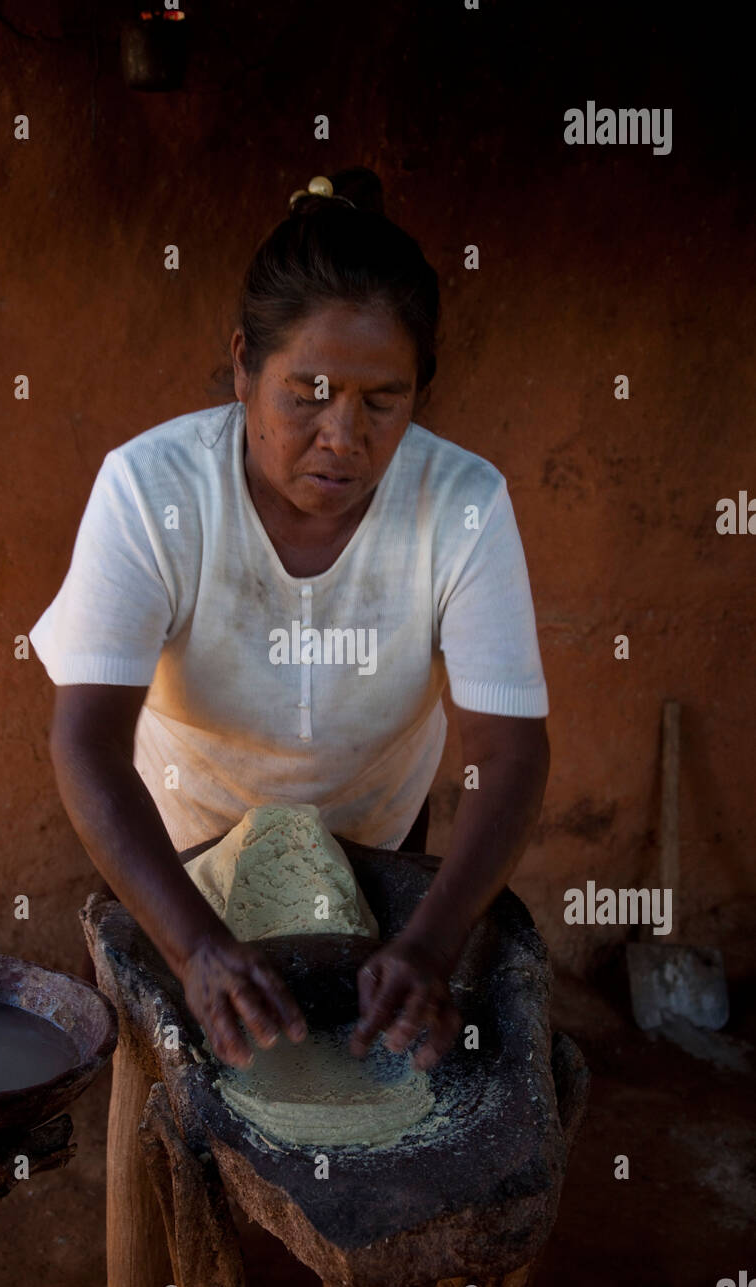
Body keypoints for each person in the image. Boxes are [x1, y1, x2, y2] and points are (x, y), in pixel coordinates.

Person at [29, 167, 549, 1076]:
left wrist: (429, 946)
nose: (343, 436)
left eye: (382, 400)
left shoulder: (462, 505)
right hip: (179, 860)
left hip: (374, 854)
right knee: (182, 1108)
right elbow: (88, 743)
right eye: (306, 392)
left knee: (357, 1092)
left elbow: (510, 754)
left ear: (420, 388)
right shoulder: (153, 491)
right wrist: (192, 948)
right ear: (242, 364)